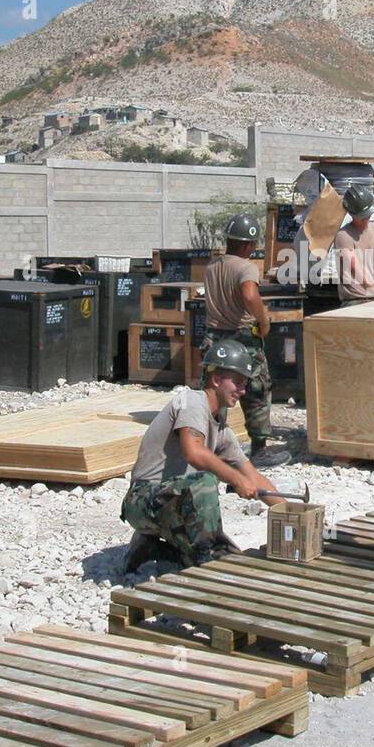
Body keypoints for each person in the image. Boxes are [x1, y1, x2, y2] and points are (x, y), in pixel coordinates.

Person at [121, 340, 282, 571]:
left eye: (244, 384)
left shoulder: (221, 428)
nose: (242, 390)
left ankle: (152, 547)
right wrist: (236, 480)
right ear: (216, 379)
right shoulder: (193, 402)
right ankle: (203, 558)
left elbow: (253, 477)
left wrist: (292, 513)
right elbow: (194, 452)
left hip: (172, 502)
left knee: (228, 554)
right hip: (142, 501)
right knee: (206, 483)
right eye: (237, 382)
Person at [199, 212, 291, 467]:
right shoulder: (246, 267)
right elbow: (250, 296)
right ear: (247, 244)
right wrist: (263, 321)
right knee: (256, 392)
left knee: (216, 394)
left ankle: (211, 448)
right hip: (241, 339)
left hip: (213, 339)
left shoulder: (212, 266)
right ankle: (259, 450)